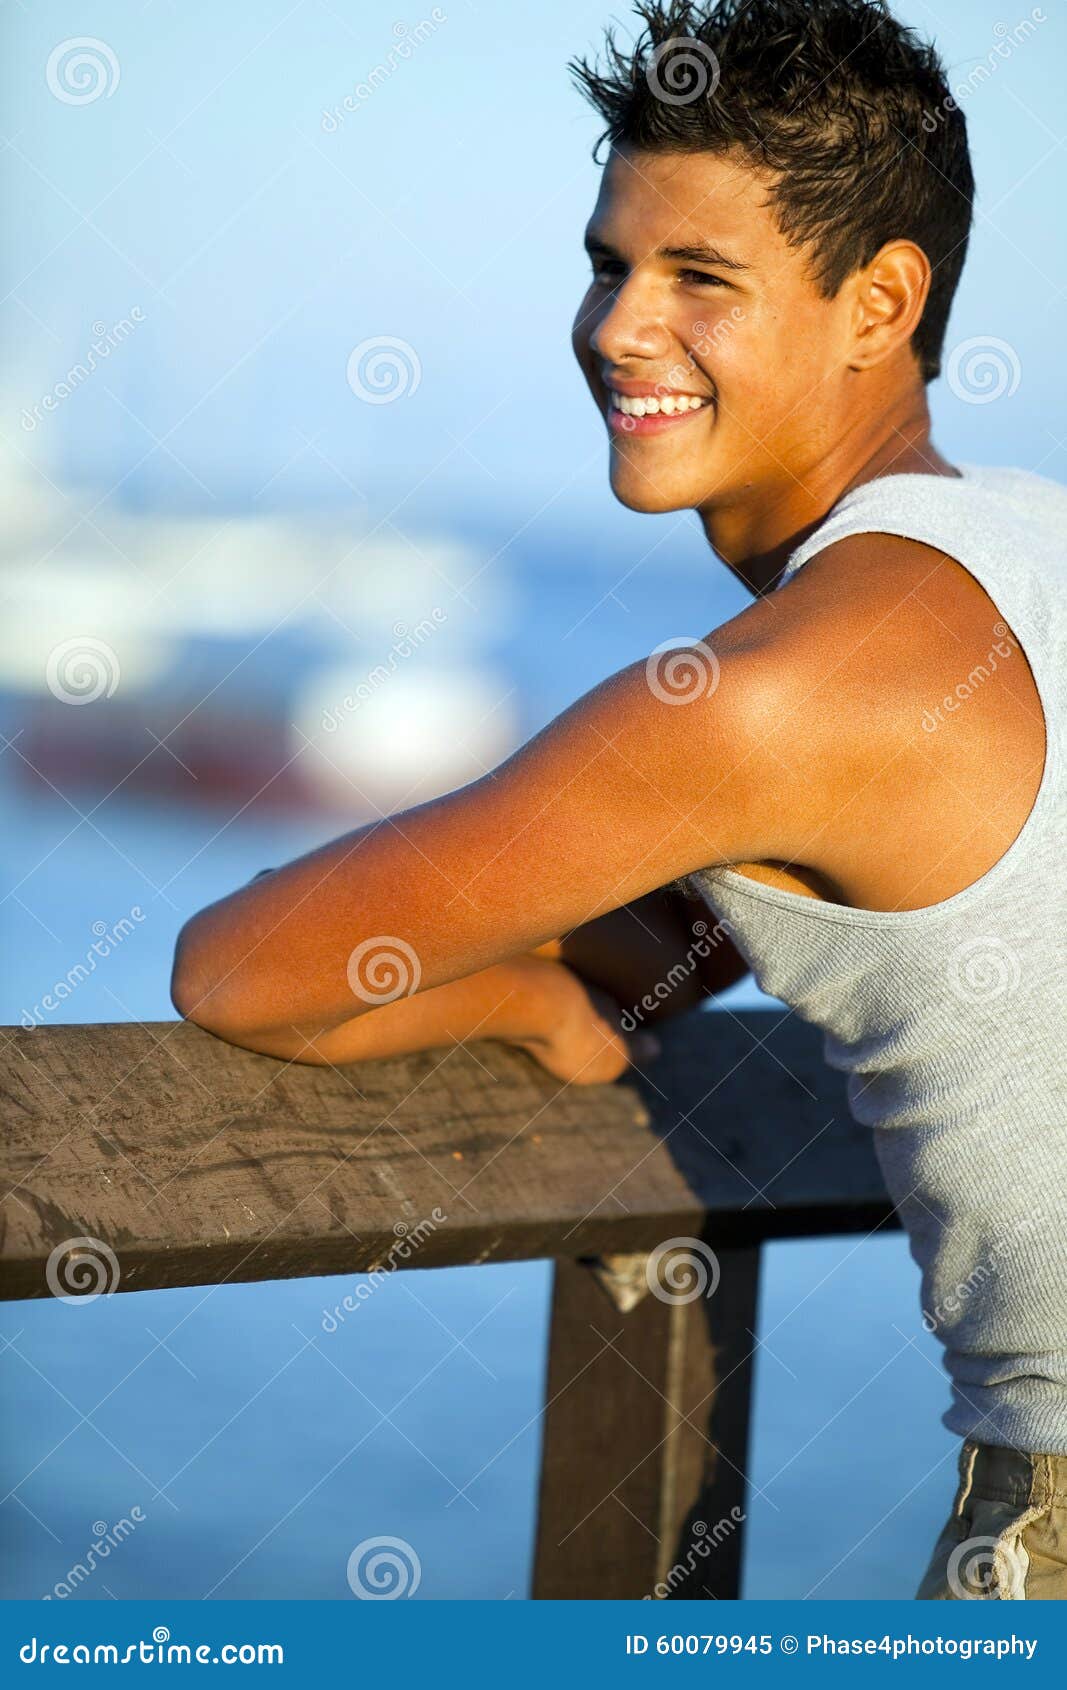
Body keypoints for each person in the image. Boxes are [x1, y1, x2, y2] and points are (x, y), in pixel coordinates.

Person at [171, 0, 1066, 1599]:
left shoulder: (764, 694)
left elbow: (241, 969)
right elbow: (804, 902)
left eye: (699, 279)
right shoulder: (1034, 550)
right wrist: (615, 956)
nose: (614, 326)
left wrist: (518, 996)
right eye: (608, 262)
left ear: (881, 301)